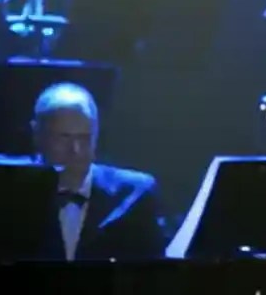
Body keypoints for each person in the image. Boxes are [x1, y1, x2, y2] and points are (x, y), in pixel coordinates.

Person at [30, 82, 166, 261]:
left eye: (85, 138)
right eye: (63, 137)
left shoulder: (134, 194)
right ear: (37, 134)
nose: (76, 150)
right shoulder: (9, 189)